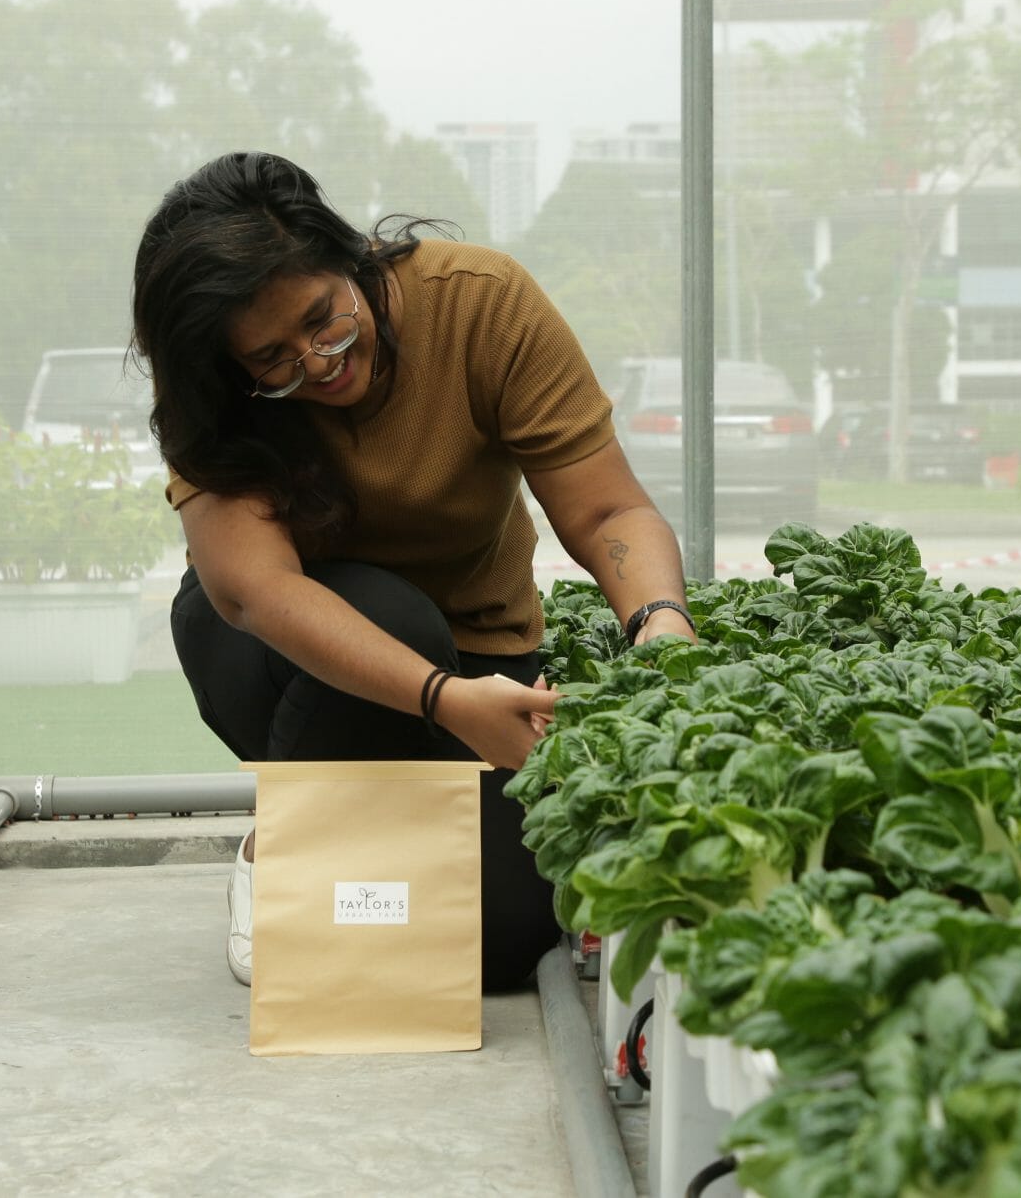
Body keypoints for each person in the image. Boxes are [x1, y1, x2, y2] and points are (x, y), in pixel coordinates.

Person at [129, 152, 697, 993]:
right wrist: (445, 701)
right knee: (393, 615)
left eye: (325, 320)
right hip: (279, 655)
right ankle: (280, 843)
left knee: (502, 943)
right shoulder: (211, 395)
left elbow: (609, 512)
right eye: (273, 361)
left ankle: (349, 850)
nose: (317, 363)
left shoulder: (480, 304)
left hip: (477, 654)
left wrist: (658, 621)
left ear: (347, 253)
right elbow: (258, 590)